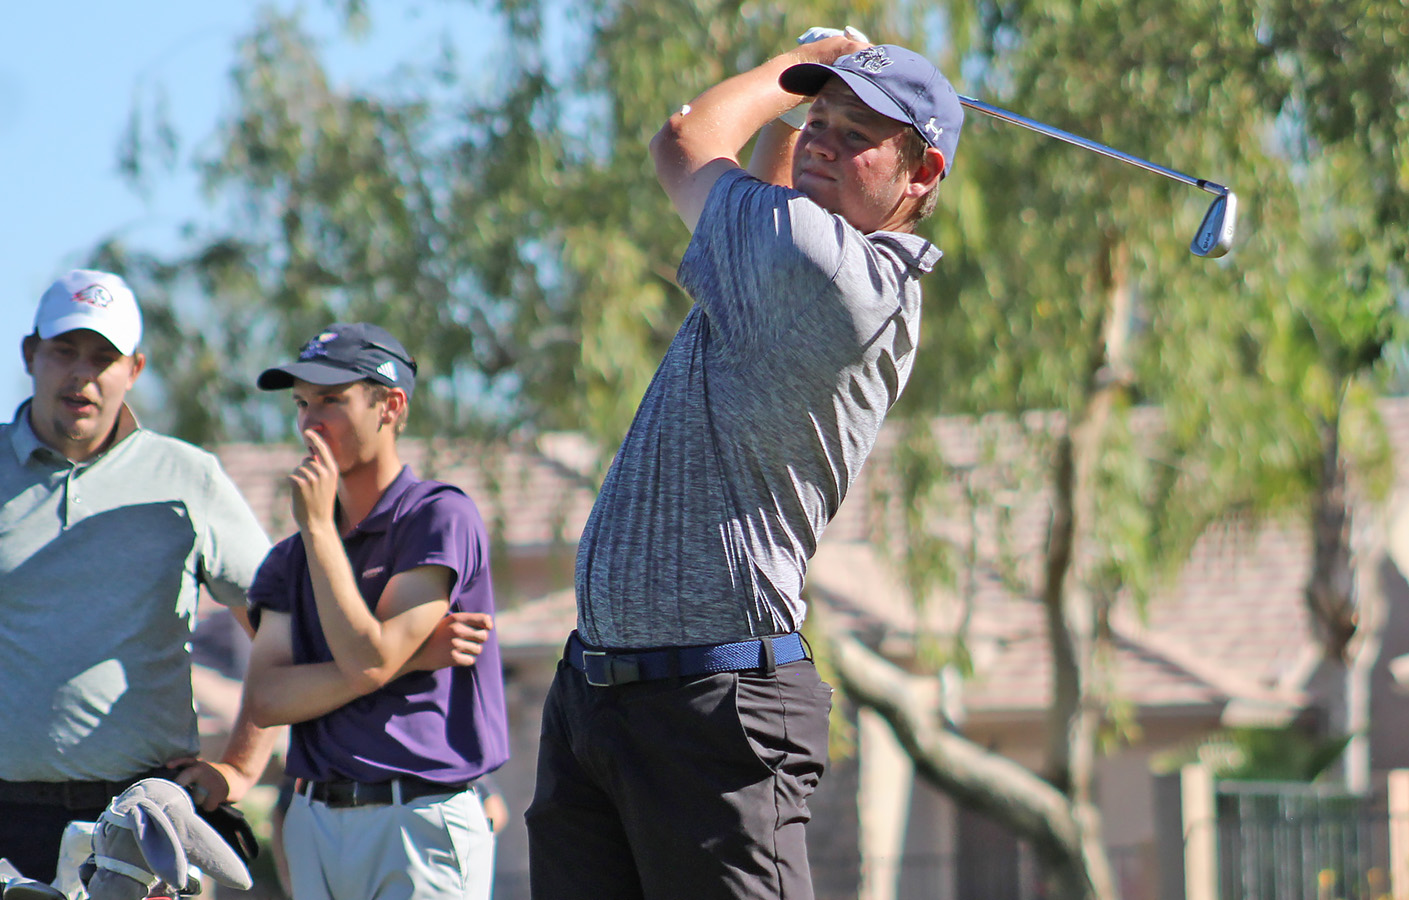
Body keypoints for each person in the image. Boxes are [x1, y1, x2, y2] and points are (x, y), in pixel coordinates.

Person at [524, 31, 962, 900]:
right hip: (605, 693)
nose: (825, 143)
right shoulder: (786, 255)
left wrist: (800, 62)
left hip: (714, 709)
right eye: (819, 121)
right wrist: (806, 100)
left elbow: (684, 138)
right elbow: (768, 188)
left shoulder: (828, 275)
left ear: (922, 175)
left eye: (858, 135)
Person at [0, 269, 276, 881]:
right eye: (63, 351)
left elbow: (281, 632)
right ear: (30, 355)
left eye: (104, 357)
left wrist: (239, 769)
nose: (82, 374)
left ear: (136, 370)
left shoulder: (189, 477)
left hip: (142, 818)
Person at [234, 322, 509, 900]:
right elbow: (266, 699)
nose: (311, 421)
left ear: (391, 405)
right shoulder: (290, 558)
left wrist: (317, 529)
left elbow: (366, 659)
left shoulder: (438, 516)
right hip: (314, 822)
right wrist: (408, 660)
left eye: (333, 399)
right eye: (302, 403)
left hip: (419, 820)